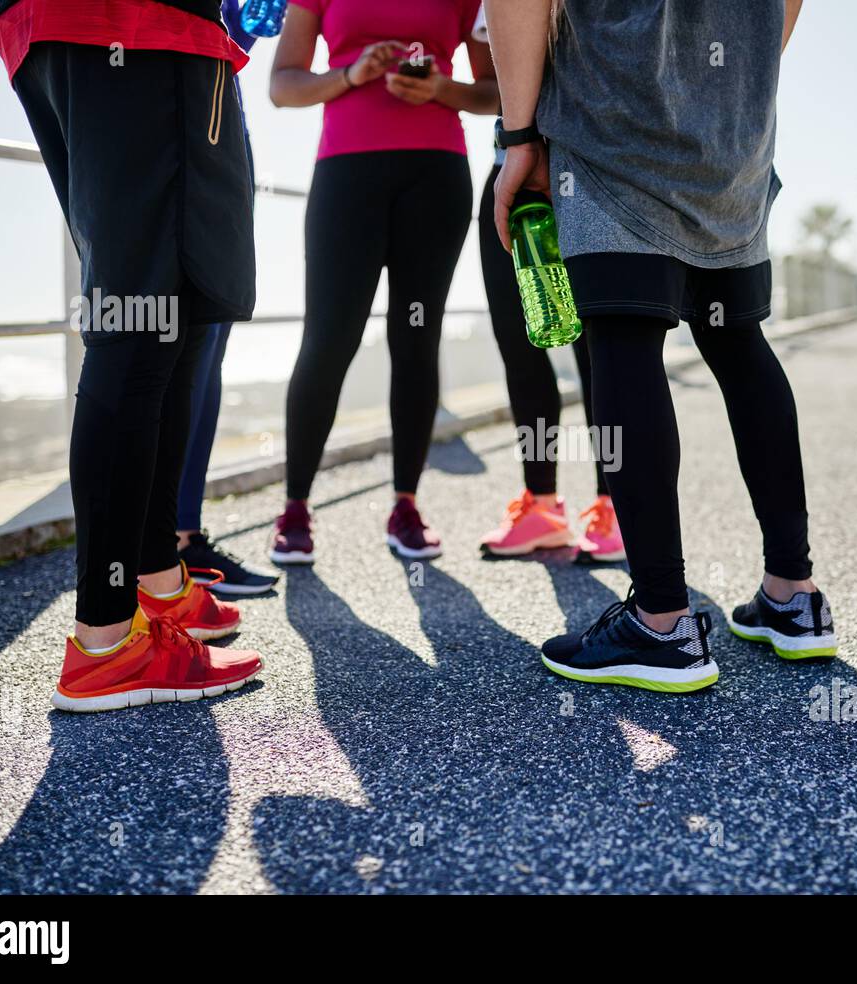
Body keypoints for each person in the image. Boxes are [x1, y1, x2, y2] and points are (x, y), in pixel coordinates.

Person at [486, 0, 838, 693]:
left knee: (623, 335)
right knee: (739, 342)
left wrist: (519, 133)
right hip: (733, 134)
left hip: (612, 116)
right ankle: (793, 596)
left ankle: (661, 621)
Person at [0, 0, 264, 711]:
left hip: (64, 30)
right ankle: (106, 643)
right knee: (144, 317)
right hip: (142, 25)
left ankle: (153, 583)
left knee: (175, 311)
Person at [267, 0, 495, 563]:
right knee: (328, 339)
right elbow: (281, 85)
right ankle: (295, 509)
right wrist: (351, 74)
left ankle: (406, 506)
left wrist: (442, 88)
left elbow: (496, 93)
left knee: (416, 340)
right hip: (346, 177)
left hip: (436, 177)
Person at [470, 7, 623, 562]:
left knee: (601, 351)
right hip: (513, 163)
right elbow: (490, 87)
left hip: (595, 166)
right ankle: (541, 505)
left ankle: (616, 507)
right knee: (521, 345)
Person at [175, 0, 282, 596]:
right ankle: (160, 551)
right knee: (176, 346)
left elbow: (240, 41)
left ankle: (180, 540)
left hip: (218, 124)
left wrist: (242, 20)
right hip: (179, 121)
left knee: (207, 349)